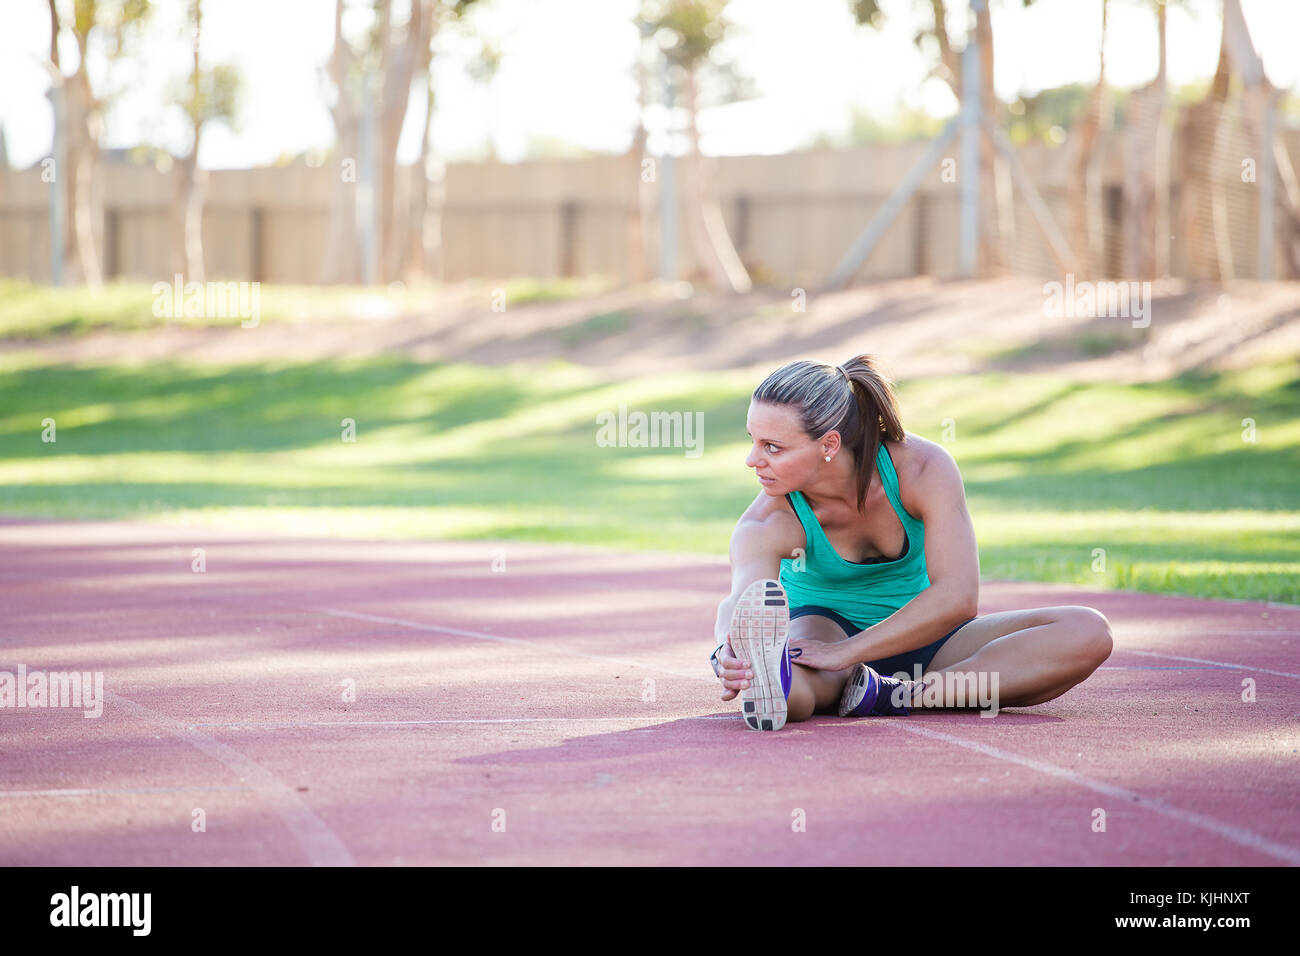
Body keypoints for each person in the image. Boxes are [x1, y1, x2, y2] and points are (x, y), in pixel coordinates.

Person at [709, 355, 1113, 731]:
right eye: (753, 440)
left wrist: (852, 652)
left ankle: (892, 694)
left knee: (1086, 631)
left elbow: (958, 598)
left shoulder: (922, 469)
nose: (751, 459)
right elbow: (741, 598)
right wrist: (729, 651)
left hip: (926, 639)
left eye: (772, 447)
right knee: (788, 691)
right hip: (824, 638)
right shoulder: (767, 521)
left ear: (829, 445)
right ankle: (786, 686)